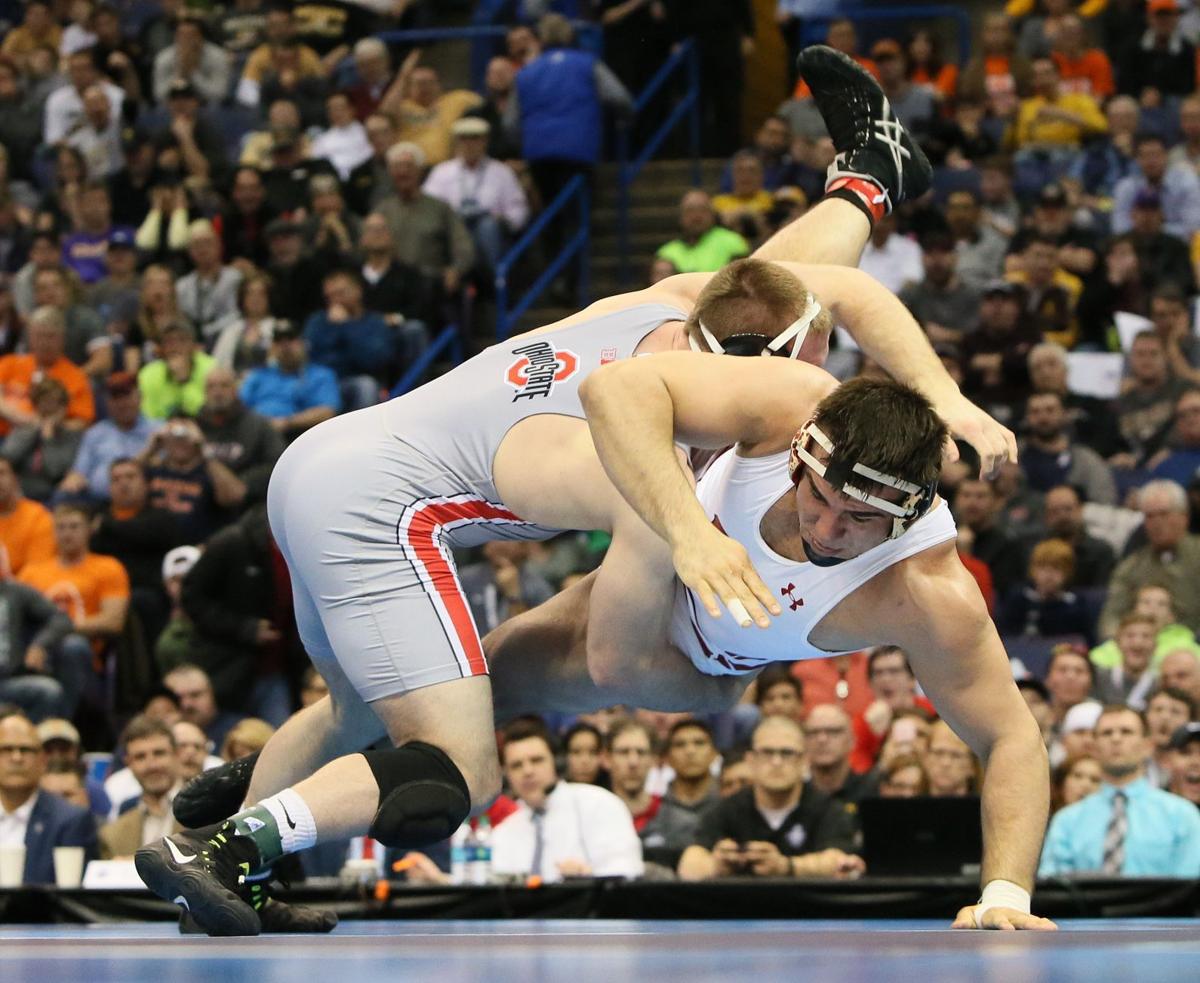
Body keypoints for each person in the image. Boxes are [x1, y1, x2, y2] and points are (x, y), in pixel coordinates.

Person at [138, 47, 1036, 934]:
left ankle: (872, 172)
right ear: (768, 379)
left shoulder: (674, 307)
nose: (820, 370)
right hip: (379, 512)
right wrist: (691, 560)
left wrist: (942, 395)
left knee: (362, 709)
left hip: (318, 465)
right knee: (458, 759)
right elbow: (617, 659)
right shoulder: (641, 466)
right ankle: (229, 843)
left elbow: (822, 287)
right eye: (809, 364)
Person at [676, 716, 862, 880]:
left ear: (804, 761)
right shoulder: (725, 809)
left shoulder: (829, 810)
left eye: (787, 753)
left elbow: (842, 862)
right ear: (751, 760)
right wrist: (716, 865)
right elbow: (688, 866)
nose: (776, 762)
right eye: (767, 752)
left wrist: (785, 866)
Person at [1039, 705, 1200, 875]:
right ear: (1094, 747)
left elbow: (1189, 890)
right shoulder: (1067, 821)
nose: (1116, 739)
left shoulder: (1182, 816)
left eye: (1126, 732)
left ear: (1147, 745)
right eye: (1107, 733)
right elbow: (1054, 888)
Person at [490, 719, 642, 882]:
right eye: (516, 765)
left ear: (557, 763)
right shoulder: (503, 832)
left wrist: (589, 877)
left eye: (537, 760)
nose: (527, 771)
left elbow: (628, 870)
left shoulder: (600, 803)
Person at [0, 712, 97, 884]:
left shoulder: (71, 820)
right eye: (6, 749)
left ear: (43, 760)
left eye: (25, 750)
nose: (16, 758)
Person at [1100, 480, 1200, 636]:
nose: (1157, 523)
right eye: (1150, 516)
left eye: (1164, 514)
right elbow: (1112, 617)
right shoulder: (1130, 566)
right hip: (1143, 649)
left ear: (1184, 517)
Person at [638, 718, 720, 868]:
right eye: (680, 745)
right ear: (667, 757)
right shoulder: (652, 809)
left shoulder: (728, 806)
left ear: (715, 753)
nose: (690, 751)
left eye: (699, 743)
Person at [239, 322, 340, 440]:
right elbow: (238, 406)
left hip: (296, 436)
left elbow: (326, 412)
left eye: (291, 339)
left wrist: (286, 422)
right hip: (253, 434)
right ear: (272, 348)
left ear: (303, 344)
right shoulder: (258, 375)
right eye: (279, 341)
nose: (285, 346)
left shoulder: (320, 375)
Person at [99, 715, 181, 858]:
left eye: (159, 753)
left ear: (176, 755)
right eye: (140, 757)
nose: (151, 765)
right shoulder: (112, 836)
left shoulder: (210, 819)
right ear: (129, 763)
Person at [0, 575, 74, 721]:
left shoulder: (15, 592)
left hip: (6, 682)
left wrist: (40, 645)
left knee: (48, 691)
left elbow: (61, 619)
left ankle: (30, 740)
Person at [656, 190, 751, 274]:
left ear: (713, 214)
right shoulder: (667, 253)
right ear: (680, 217)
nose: (696, 216)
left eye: (702, 210)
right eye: (690, 210)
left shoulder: (733, 242)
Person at [804, 703, 879, 804]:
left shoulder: (873, 793)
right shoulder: (793, 796)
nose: (822, 739)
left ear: (852, 741)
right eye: (813, 732)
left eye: (833, 732)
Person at [604, 718, 660, 833]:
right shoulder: (592, 815)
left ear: (653, 759)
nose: (633, 762)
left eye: (641, 752)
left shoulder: (672, 815)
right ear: (607, 758)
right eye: (623, 752)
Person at [1095, 614, 1159, 710]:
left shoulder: (1160, 685)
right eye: (1130, 636)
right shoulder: (1098, 679)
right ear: (1117, 642)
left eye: (1146, 636)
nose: (1138, 642)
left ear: (1155, 645)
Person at [1145, 687, 1195, 787]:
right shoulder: (1130, 760)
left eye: (1175, 712)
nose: (1165, 717)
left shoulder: (1196, 765)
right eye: (1158, 710)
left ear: (1190, 721)